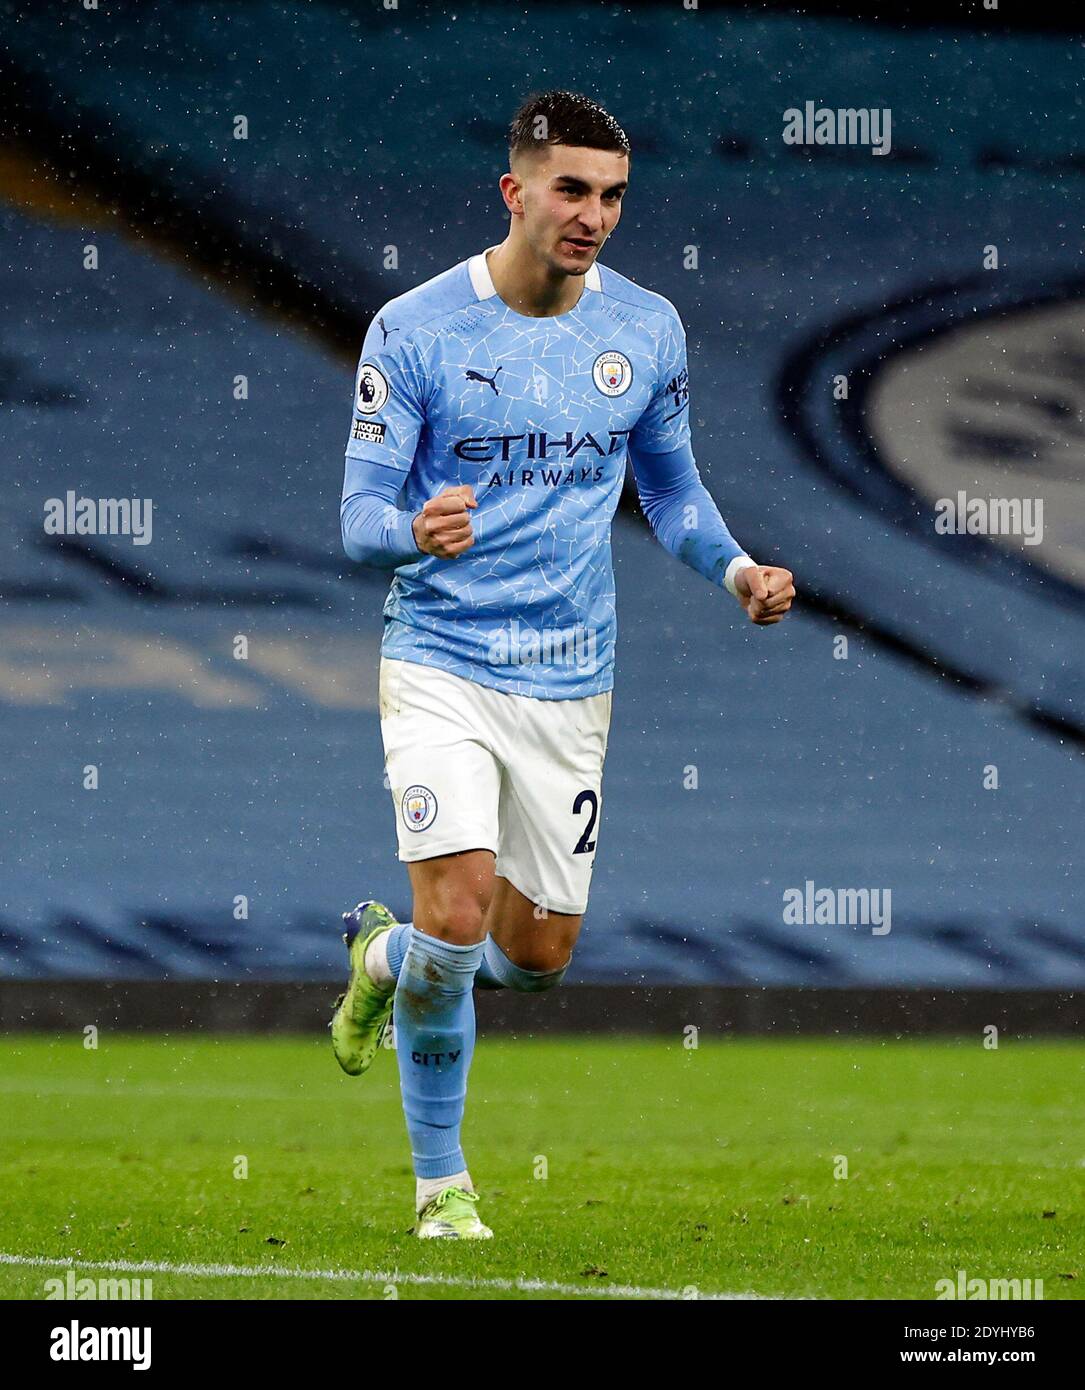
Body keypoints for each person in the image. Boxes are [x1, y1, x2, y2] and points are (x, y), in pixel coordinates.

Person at [331, 90, 795, 1239]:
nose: (593, 214)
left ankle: (380, 957)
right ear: (515, 191)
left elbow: (671, 491)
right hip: (439, 656)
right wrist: (411, 531)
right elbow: (355, 519)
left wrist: (733, 570)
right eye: (571, 190)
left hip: (569, 677)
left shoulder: (644, 331)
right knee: (460, 909)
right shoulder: (415, 328)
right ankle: (443, 1189)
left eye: (612, 195)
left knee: (531, 960)